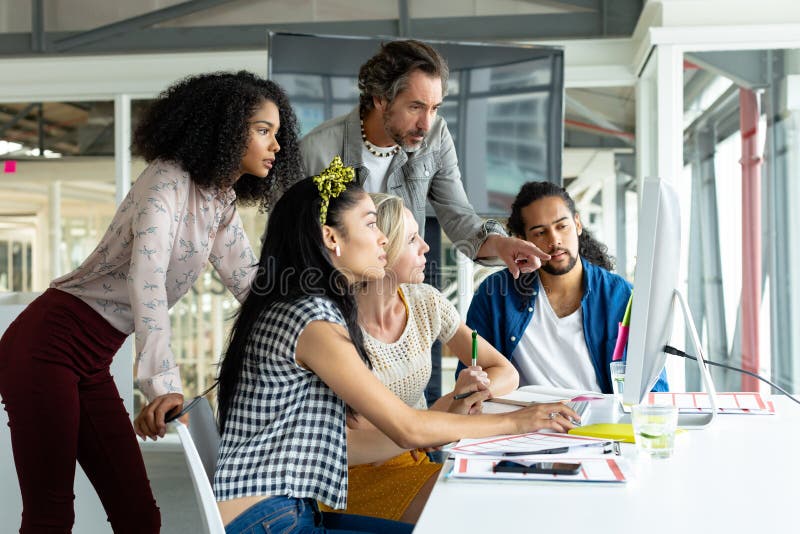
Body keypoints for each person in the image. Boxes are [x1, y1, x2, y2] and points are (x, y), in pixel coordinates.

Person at [0, 71, 302, 533]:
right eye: (264, 130)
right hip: (48, 345)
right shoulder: (166, 180)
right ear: (224, 127)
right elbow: (148, 277)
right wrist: (161, 384)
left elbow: (251, 283)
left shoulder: (217, 197)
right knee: (51, 513)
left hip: (91, 360)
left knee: (139, 515)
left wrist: (317, 310)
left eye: (277, 134)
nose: (276, 145)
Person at [214, 160, 577, 534]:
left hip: (286, 509)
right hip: (270, 520)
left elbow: (370, 436)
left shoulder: (310, 307)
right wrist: (518, 421)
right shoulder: (314, 320)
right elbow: (406, 429)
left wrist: (448, 417)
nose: (383, 239)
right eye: (370, 224)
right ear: (331, 238)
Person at [319, 193, 519, 524]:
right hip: (352, 480)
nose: (426, 247)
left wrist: (474, 391)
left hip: (415, 461)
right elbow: (358, 440)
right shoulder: (333, 329)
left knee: (491, 502)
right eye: (412, 239)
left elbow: (505, 371)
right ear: (383, 247)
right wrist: (446, 415)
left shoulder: (425, 302)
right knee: (476, 512)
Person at [299, 39, 549, 277]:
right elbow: (291, 241)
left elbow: (459, 216)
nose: (426, 124)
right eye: (415, 107)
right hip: (337, 293)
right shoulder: (316, 151)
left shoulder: (436, 136)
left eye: (434, 108)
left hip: (401, 291)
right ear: (380, 100)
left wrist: (501, 244)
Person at [464, 181, 669, 394]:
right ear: (522, 240)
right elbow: (472, 377)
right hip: (523, 422)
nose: (555, 240)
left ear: (578, 224)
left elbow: (654, 389)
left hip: (597, 422)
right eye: (540, 233)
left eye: (562, 226)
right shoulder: (495, 295)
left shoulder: (623, 297)